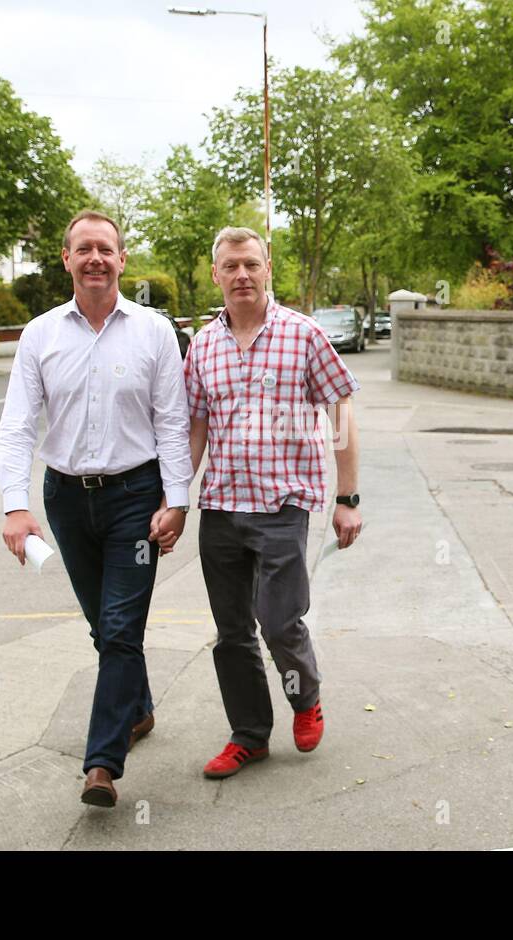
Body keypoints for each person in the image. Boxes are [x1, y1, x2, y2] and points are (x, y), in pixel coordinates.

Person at [0, 210, 192, 809]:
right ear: (66, 259)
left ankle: (102, 763)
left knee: (121, 626)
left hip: (135, 497)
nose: (95, 259)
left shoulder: (155, 331)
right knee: (105, 627)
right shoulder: (41, 334)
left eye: (106, 249)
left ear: (122, 259)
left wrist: (177, 500)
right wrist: (15, 505)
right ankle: (140, 708)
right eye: (84, 249)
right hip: (66, 499)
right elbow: (18, 424)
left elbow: (173, 422)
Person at [184, 226, 364, 780]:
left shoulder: (303, 335)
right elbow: (195, 426)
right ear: (215, 274)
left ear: (268, 270)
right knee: (232, 631)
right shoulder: (202, 345)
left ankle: (305, 698)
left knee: (280, 621)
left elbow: (341, 412)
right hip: (220, 507)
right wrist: (175, 498)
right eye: (231, 266)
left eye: (251, 265)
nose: (242, 275)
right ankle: (248, 736)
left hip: (285, 505)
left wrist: (347, 497)